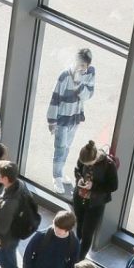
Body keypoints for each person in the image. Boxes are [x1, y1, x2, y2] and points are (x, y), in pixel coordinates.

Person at [45, 49, 96, 188]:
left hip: (75, 118)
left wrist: (78, 83)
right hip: (62, 119)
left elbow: (87, 95)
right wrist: (52, 121)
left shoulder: (90, 73)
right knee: (60, 148)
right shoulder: (64, 75)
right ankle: (56, 177)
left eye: (83, 65)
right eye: (78, 63)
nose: (79, 67)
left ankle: (60, 173)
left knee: (67, 147)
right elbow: (55, 98)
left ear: (87, 65)